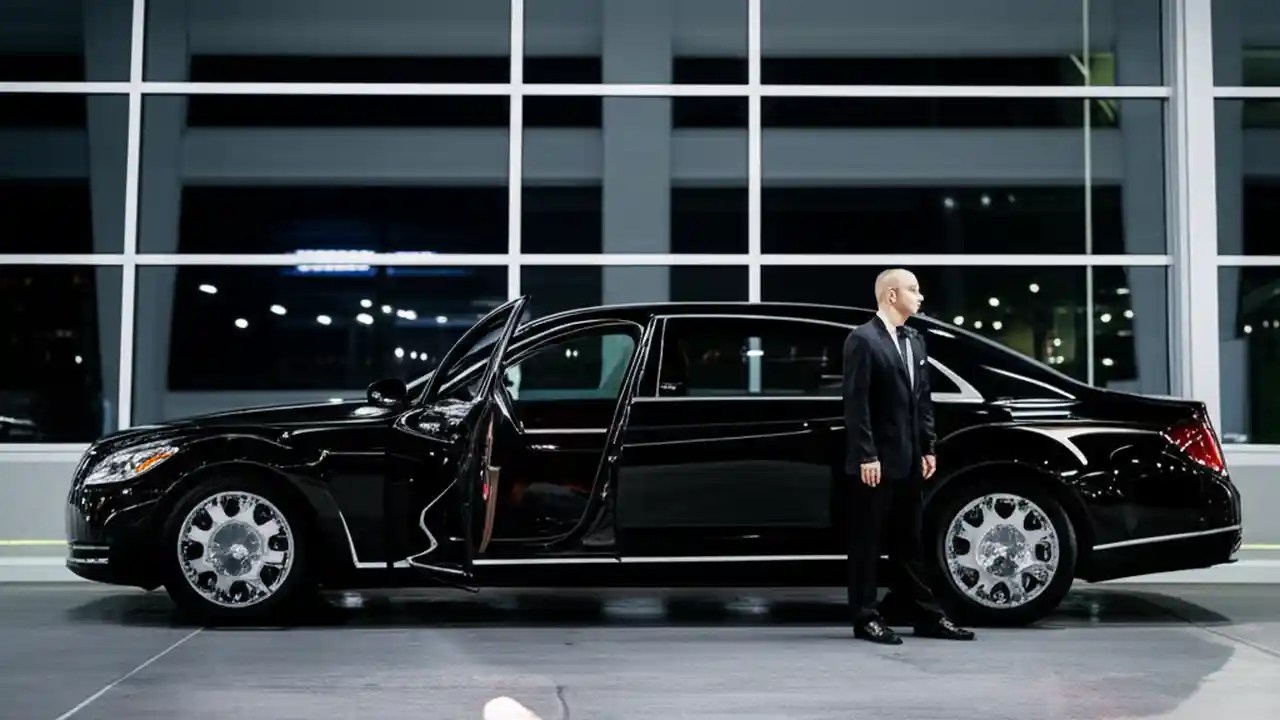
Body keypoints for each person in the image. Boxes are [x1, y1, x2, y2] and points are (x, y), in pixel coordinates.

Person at [841, 268, 975, 645]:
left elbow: (922, 401)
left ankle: (924, 615)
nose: (920, 297)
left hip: (909, 458)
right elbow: (856, 405)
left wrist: (928, 446)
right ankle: (866, 617)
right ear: (891, 295)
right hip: (875, 463)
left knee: (909, 543)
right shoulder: (863, 340)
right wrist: (867, 455)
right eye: (913, 290)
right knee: (868, 544)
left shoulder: (915, 340)